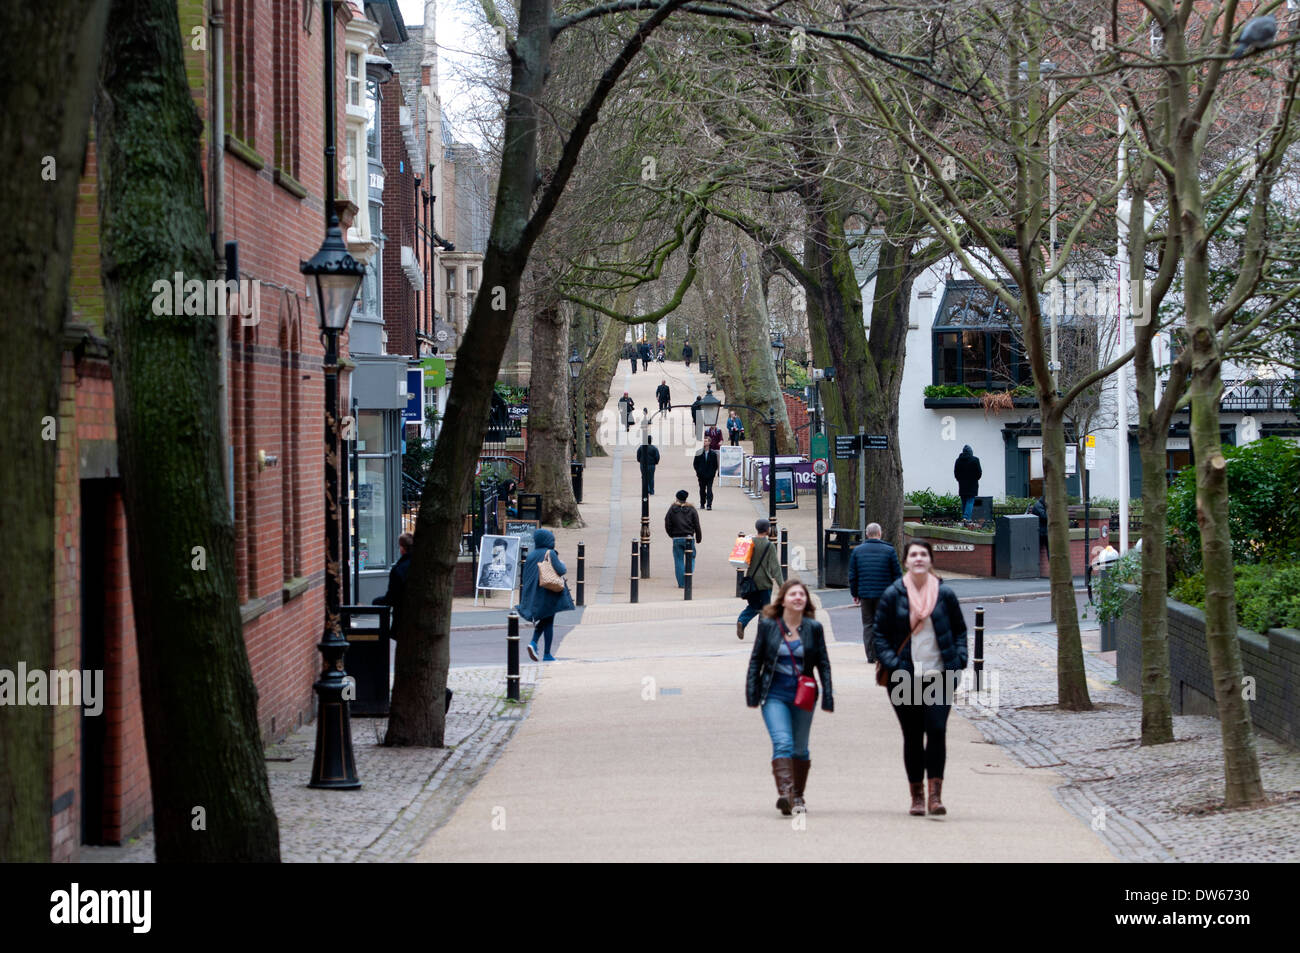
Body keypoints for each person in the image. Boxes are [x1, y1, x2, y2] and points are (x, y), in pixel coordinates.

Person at [873, 540, 968, 816]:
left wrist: (960, 658)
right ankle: (916, 795)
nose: (918, 558)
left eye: (923, 554)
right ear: (905, 561)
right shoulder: (893, 594)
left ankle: (935, 796)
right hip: (905, 677)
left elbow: (960, 630)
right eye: (913, 554)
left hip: (939, 674)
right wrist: (894, 665)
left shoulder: (945, 594)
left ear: (930, 560)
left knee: (937, 730)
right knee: (913, 735)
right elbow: (879, 635)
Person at [745, 579, 833, 815]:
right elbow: (756, 660)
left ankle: (798, 796)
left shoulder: (813, 628)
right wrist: (752, 693)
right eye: (793, 594)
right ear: (783, 600)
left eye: (802, 595)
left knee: (800, 748)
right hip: (774, 695)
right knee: (783, 742)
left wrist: (828, 696)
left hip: (804, 696)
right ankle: (786, 793)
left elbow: (823, 664)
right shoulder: (768, 626)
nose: (798, 598)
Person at [848, 522, 902, 662]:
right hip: (885, 595)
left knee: (868, 625)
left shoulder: (857, 551)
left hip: (865, 595)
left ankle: (871, 656)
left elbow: (853, 576)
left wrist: (855, 594)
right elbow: (897, 575)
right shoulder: (889, 550)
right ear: (880, 533)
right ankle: (882, 654)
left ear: (867, 534)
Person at [518, 529, 574, 662]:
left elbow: (526, 576)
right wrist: (563, 564)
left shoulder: (531, 555)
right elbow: (561, 570)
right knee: (548, 621)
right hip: (548, 591)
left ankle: (535, 644)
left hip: (535, 593)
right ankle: (545, 653)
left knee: (545, 620)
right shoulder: (550, 553)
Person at [737, 519, 783, 639]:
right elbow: (775, 567)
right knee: (766, 608)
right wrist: (782, 585)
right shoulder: (769, 545)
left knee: (754, 605)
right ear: (767, 530)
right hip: (764, 582)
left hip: (751, 580)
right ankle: (763, 634)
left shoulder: (750, 542)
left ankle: (742, 620)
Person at [373, 532, 414, 633]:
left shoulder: (398, 569)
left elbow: (392, 596)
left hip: (403, 616)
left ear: (402, 548)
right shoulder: (422, 565)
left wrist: (377, 601)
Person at [664, 489, 703, 588]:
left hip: (677, 538)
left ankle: (681, 583)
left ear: (677, 498)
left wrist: (671, 534)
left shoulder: (672, 509)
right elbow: (697, 524)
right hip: (689, 538)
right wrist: (698, 537)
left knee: (678, 561)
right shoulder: (692, 509)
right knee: (691, 557)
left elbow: (667, 523)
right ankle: (688, 576)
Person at [954, 445, 982, 522]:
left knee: (964, 501)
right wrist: (975, 479)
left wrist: (960, 480)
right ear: (971, 452)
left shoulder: (958, 460)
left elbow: (956, 473)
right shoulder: (975, 460)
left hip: (962, 484)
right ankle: (966, 517)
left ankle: (964, 518)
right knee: (970, 501)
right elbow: (979, 473)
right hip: (972, 484)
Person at [1030, 495, 1049, 574]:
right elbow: (1045, 516)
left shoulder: (1041, 505)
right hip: (1041, 532)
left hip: (1044, 531)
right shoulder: (1038, 506)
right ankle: (1034, 570)